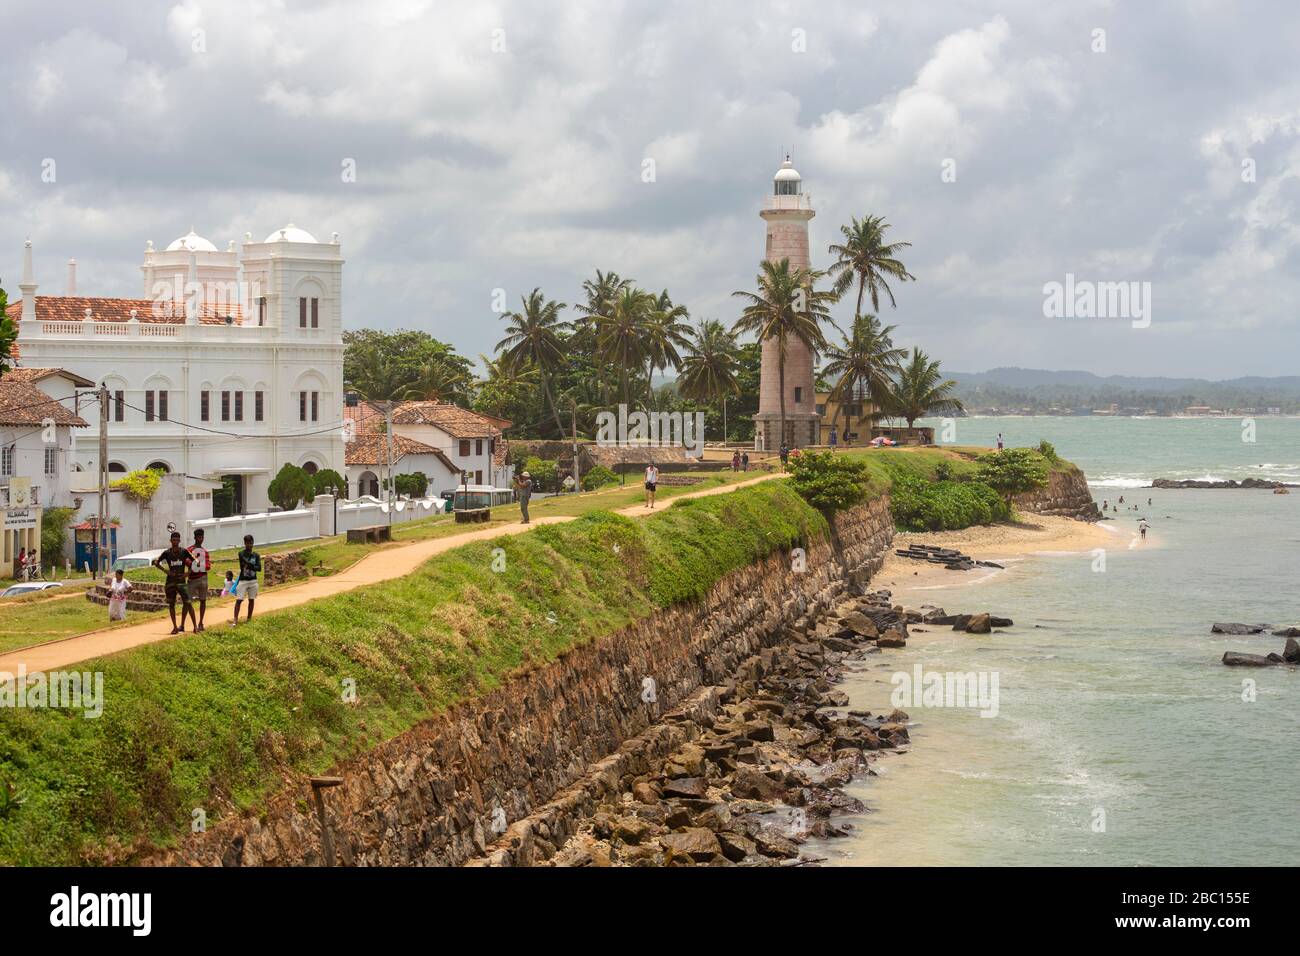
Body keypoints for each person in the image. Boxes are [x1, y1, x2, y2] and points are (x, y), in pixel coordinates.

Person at [152, 531, 194, 634]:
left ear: (179, 540)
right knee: (171, 604)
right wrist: (166, 571)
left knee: (188, 603)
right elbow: (155, 562)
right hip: (170, 582)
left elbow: (195, 561)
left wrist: (188, 573)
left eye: (177, 540)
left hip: (181, 582)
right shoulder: (167, 553)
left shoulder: (184, 551)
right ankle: (175, 627)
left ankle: (194, 626)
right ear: (170, 541)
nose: (175, 541)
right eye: (173, 540)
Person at [232, 534, 261, 624]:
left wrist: (250, 566)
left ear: (253, 543)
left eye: (251, 543)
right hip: (243, 580)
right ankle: (235, 620)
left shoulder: (256, 555)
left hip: (253, 580)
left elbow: (259, 568)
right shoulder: (241, 553)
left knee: (251, 600)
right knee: (239, 600)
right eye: (247, 543)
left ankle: (249, 619)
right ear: (245, 543)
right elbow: (245, 563)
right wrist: (253, 566)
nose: (249, 545)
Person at [187, 527, 211, 632]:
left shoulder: (205, 551)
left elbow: (208, 565)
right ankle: (185, 623)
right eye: (198, 537)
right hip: (192, 578)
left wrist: (200, 565)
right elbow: (186, 561)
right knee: (188, 601)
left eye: (202, 537)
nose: (200, 539)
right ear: (195, 537)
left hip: (203, 578)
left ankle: (201, 622)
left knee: (203, 601)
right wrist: (195, 565)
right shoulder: (189, 550)